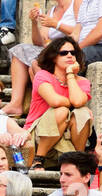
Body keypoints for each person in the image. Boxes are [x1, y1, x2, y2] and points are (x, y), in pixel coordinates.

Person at [22, 37, 90, 168]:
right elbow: (55, 101)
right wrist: (72, 103)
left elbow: (78, 102)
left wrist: (70, 75)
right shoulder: (42, 76)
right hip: (37, 136)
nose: (70, 55)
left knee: (83, 113)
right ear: (54, 57)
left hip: (66, 137)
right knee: (62, 111)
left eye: (73, 52)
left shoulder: (82, 82)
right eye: (64, 53)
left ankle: (77, 160)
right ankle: (38, 159)